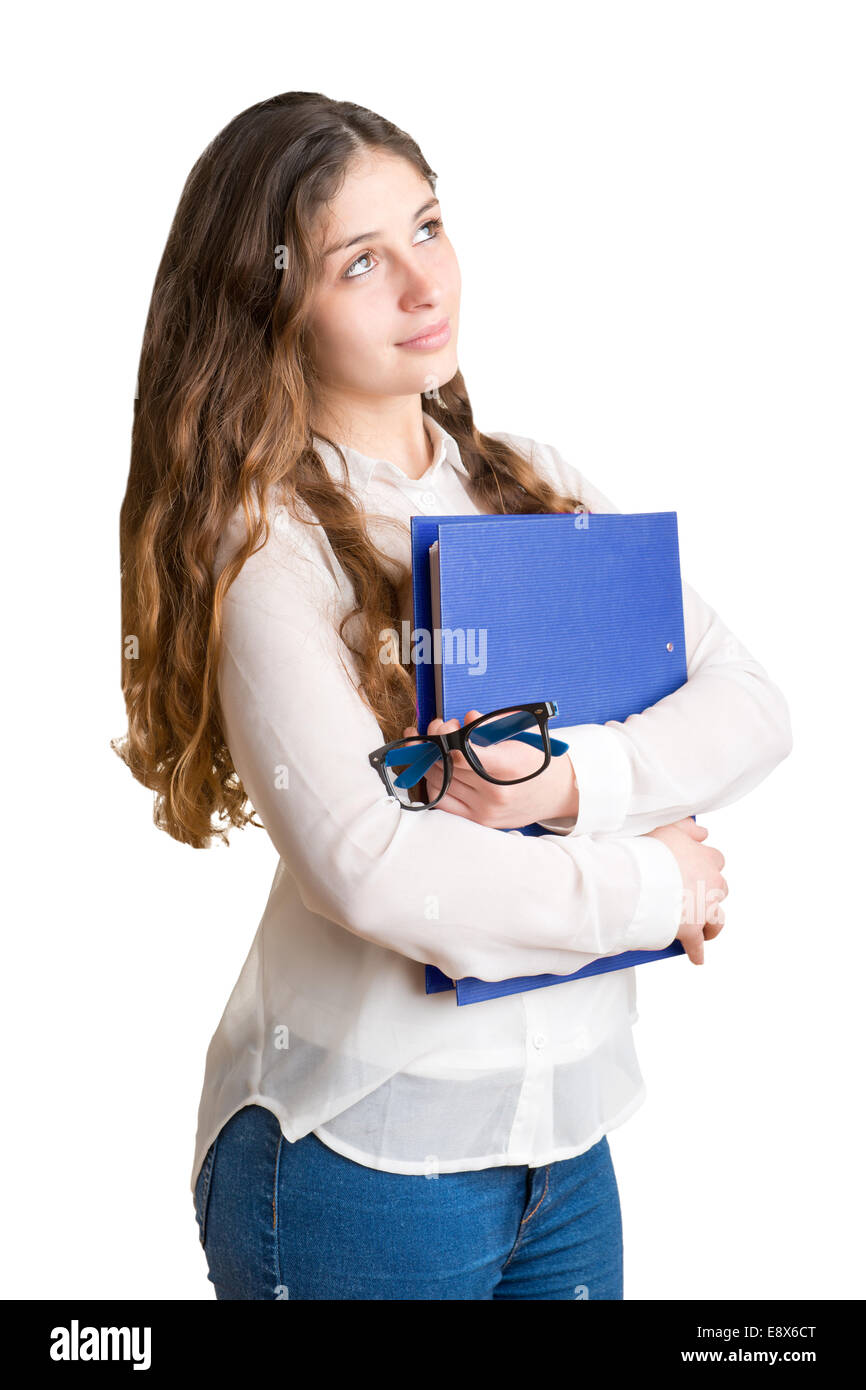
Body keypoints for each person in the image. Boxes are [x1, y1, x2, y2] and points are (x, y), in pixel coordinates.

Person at [114, 91, 793, 1300]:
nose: (423, 286)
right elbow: (377, 869)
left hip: (565, 1155)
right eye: (359, 262)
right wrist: (655, 883)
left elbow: (747, 705)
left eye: (427, 228)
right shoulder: (269, 549)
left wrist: (568, 784)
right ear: (273, 302)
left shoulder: (533, 486)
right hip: (358, 1160)